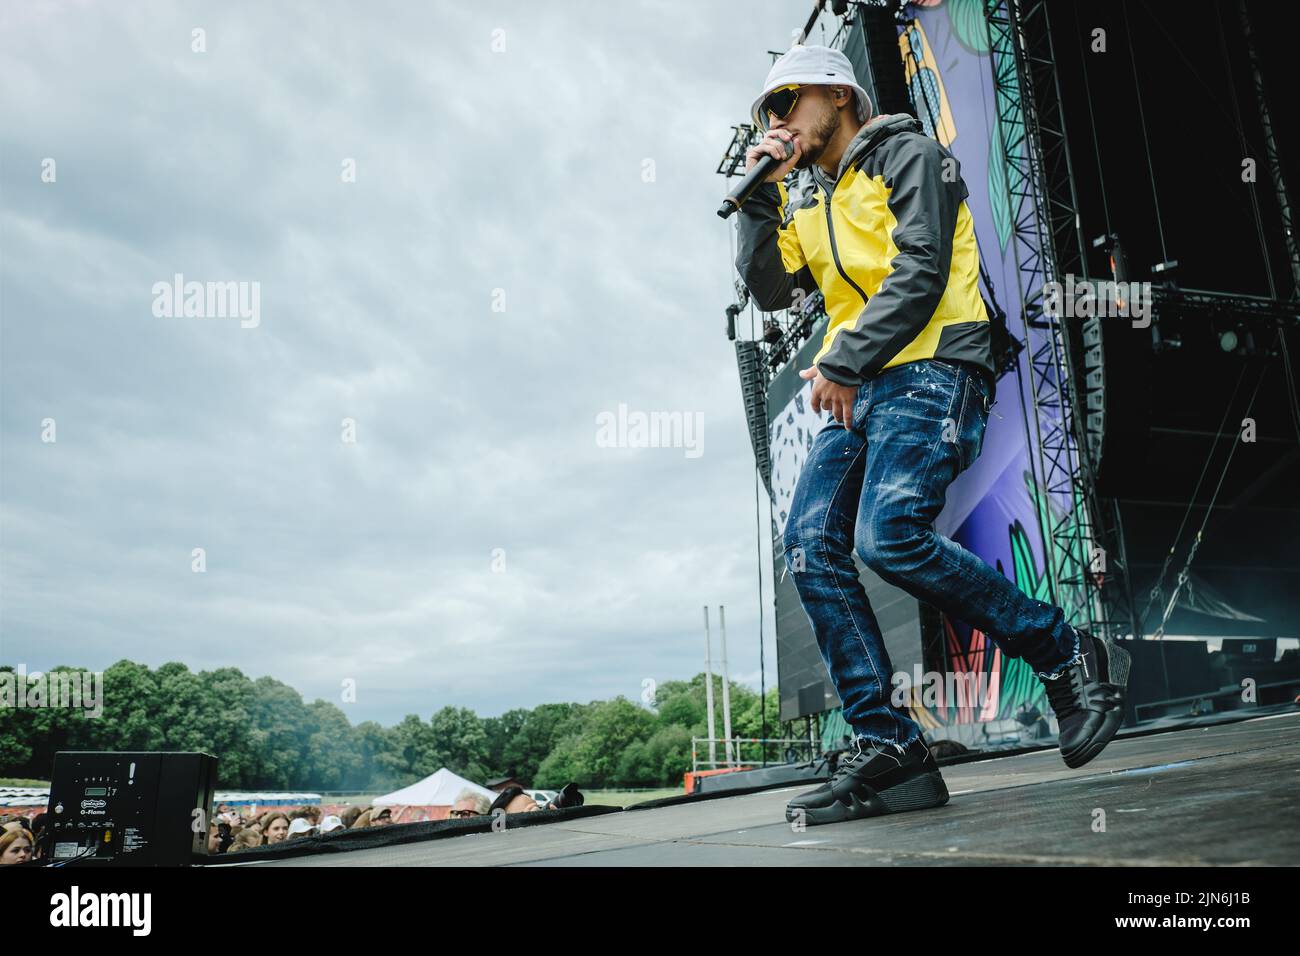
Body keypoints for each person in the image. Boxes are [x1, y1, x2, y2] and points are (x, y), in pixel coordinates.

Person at [734, 44, 1132, 826]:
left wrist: (843, 359)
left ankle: (1064, 652)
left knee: (888, 536)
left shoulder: (908, 155)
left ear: (836, 94)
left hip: (933, 367)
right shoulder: (812, 201)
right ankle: (892, 749)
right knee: (811, 545)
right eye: (770, 114)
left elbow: (920, 271)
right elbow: (772, 289)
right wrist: (757, 200)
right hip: (862, 385)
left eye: (788, 104)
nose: (779, 122)